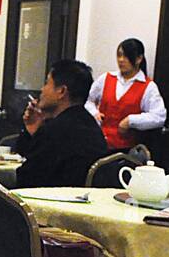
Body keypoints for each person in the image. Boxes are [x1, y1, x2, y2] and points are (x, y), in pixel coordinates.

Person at [13, 59, 108, 189]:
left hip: (51, 202)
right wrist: (33, 132)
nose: (42, 89)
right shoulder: (91, 125)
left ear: (62, 91)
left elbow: (26, 180)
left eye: (47, 83)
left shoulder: (55, 130)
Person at [86, 38, 166, 152]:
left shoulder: (148, 87)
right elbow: (88, 101)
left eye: (126, 56)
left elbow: (159, 117)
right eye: (119, 56)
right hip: (97, 142)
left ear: (139, 59)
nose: (121, 60)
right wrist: (94, 113)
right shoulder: (106, 78)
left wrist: (131, 120)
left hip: (125, 149)